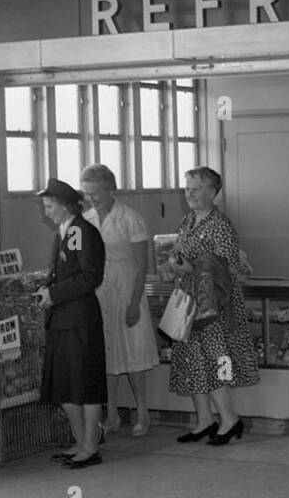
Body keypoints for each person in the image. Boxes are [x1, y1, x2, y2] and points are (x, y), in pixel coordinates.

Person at [167, 167, 259, 444]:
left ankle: (229, 419)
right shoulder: (188, 221)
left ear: (212, 192)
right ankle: (204, 419)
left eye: (196, 188)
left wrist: (191, 268)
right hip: (190, 305)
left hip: (216, 308)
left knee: (216, 361)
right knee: (193, 361)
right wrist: (174, 265)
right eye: (187, 188)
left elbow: (229, 269)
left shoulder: (220, 225)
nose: (190, 193)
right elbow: (181, 255)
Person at [81, 164, 160, 438]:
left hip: (127, 286)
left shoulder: (130, 218)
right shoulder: (86, 219)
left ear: (110, 189)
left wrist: (134, 301)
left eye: (96, 193)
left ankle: (142, 413)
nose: (92, 198)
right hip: (99, 290)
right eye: (87, 193)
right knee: (106, 352)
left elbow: (141, 264)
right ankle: (112, 413)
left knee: (134, 350)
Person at [34, 179, 107, 468]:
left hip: (78, 320)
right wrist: (46, 287)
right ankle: (81, 441)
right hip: (63, 319)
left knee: (84, 385)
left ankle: (90, 445)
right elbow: (68, 272)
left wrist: (53, 293)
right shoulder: (65, 232)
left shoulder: (79, 231)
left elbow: (89, 276)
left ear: (64, 206)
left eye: (49, 207)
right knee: (66, 385)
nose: (46, 213)